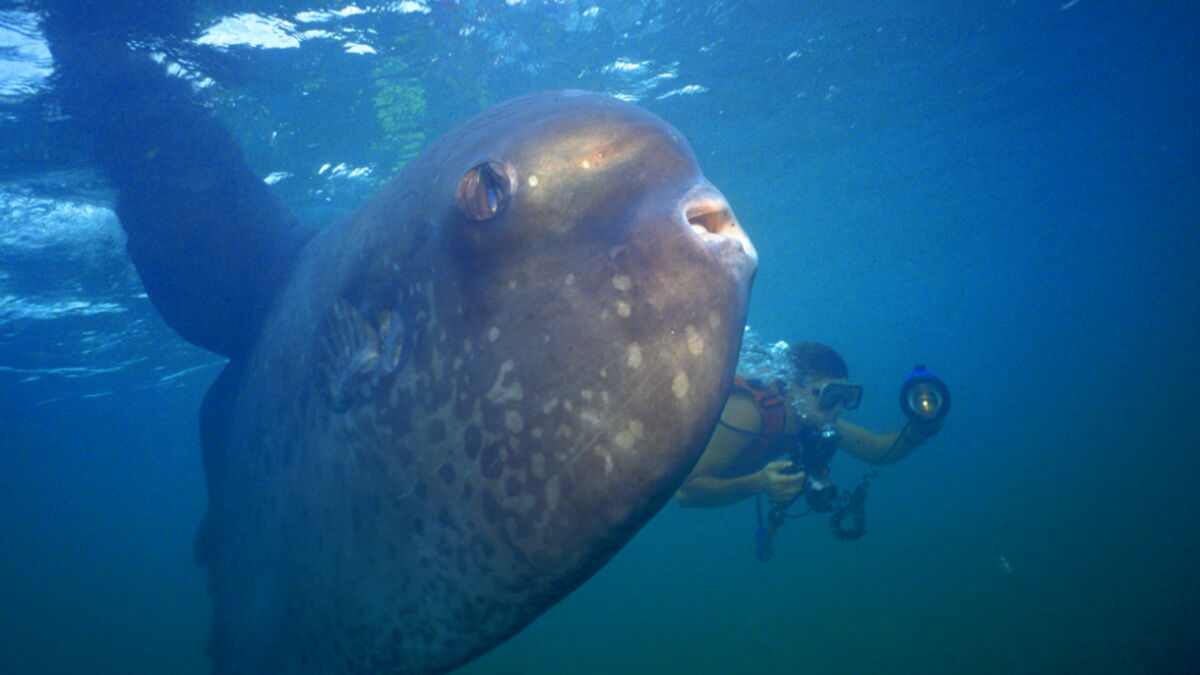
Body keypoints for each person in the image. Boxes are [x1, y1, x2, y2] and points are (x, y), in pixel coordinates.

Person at [676, 341, 945, 511]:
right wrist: (756, 484)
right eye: (830, 395)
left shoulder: (812, 415)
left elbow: (876, 450)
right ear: (792, 389)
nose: (838, 408)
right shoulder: (748, 412)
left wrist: (918, 429)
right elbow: (686, 492)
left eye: (846, 397)